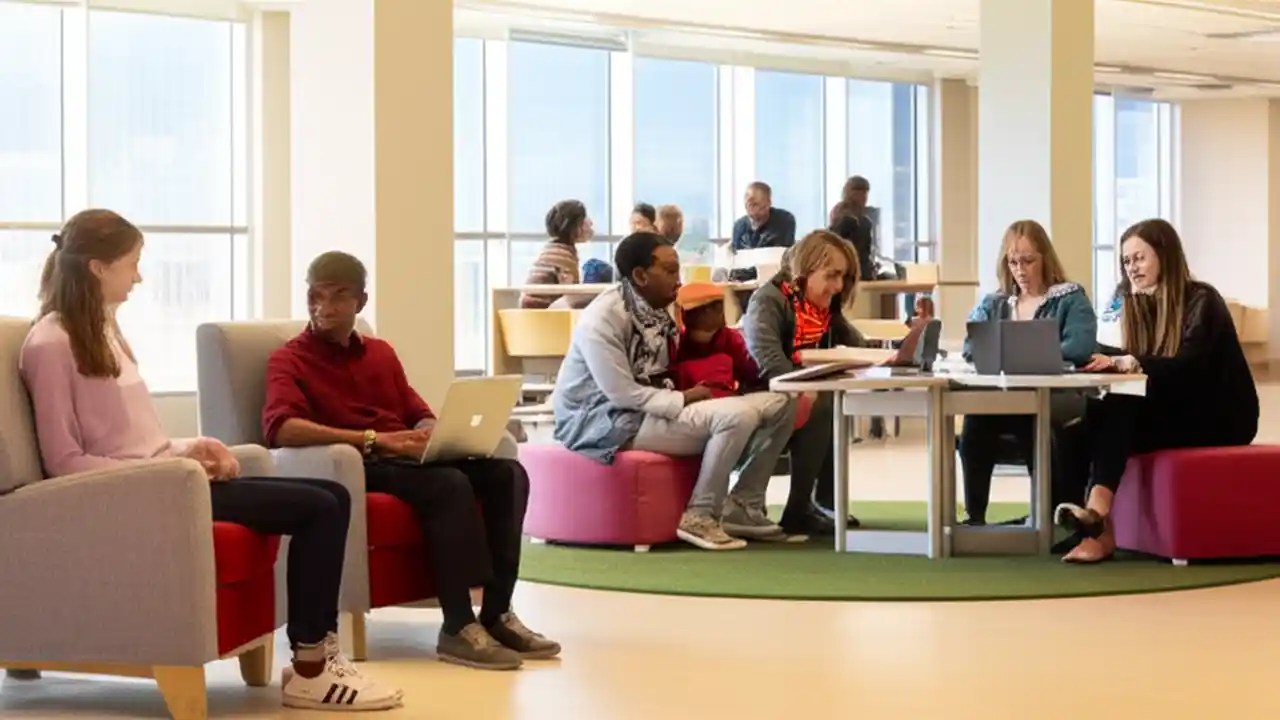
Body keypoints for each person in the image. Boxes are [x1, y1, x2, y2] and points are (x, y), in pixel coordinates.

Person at [19, 210, 401, 712]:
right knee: (321, 508)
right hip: (142, 495)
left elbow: (133, 439)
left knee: (330, 495)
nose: (138, 276)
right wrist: (166, 471)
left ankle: (316, 656)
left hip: (164, 481)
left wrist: (191, 448)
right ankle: (312, 667)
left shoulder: (104, 331)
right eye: (132, 264)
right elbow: (65, 461)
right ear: (96, 268)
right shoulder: (50, 344)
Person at [264, 251, 559, 670]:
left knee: (507, 474)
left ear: (361, 302)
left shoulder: (381, 353)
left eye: (338, 296)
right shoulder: (289, 359)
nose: (323, 308)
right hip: (358, 463)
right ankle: (457, 625)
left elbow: (415, 409)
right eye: (315, 296)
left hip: (405, 456)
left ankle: (497, 614)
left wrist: (435, 434)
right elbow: (282, 428)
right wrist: (376, 440)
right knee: (448, 484)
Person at [553, 232, 796, 548]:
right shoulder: (603, 320)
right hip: (606, 420)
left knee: (782, 402)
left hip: (650, 407)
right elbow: (621, 393)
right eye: (669, 271)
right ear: (640, 275)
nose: (678, 280)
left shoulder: (656, 308)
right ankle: (699, 515)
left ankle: (743, 507)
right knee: (737, 415)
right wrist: (684, 397)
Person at [1056, 218, 1259, 563]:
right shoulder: (1136, 304)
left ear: (1165, 255)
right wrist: (1090, 353)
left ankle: (1098, 514)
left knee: (1118, 405)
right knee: (1078, 429)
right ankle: (1093, 530)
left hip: (1220, 416)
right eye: (1126, 261)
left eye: (1139, 258)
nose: (1131, 268)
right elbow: (1141, 361)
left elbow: (1188, 367)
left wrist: (1124, 362)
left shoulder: (1202, 300)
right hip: (1176, 411)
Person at [959, 220, 1097, 526]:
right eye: (1013, 261)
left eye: (1028, 261)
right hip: (1002, 396)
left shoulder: (1070, 298)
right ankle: (974, 516)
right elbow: (972, 343)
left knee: (1029, 416)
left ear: (1045, 258)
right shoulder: (994, 302)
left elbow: (1079, 346)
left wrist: (1030, 356)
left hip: (1055, 396)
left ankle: (1044, 516)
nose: (1020, 269)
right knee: (975, 424)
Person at [742, 230, 870, 535]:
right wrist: (807, 387)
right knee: (823, 404)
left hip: (795, 393)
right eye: (832, 276)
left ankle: (819, 503)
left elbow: (855, 342)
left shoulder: (816, 307)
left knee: (827, 401)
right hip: (760, 393)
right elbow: (769, 363)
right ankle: (800, 509)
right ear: (806, 269)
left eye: (843, 277)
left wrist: (892, 354)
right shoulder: (769, 301)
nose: (838, 286)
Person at [671, 282, 761, 400]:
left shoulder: (730, 339)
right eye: (717, 307)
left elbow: (751, 376)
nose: (722, 312)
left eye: (720, 305)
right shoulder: (676, 344)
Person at [520, 199, 594, 309]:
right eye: (584, 220)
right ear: (574, 227)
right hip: (546, 313)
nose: (590, 223)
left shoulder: (550, 249)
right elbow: (570, 292)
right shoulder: (564, 256)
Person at [730, 182, 796, 282]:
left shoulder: (784, 221)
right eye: (748, 204)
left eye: (755, 204)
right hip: (744, 282)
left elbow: (781, 257)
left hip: (775, 279)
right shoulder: (739, 227)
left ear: (768, 203)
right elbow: (736, 260)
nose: (751, 208)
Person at [827, 176, 877, 282]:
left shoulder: (838, 212)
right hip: (853, 275)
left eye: (866, 192)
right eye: (861, 192)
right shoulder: (855, 220)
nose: (865, 197)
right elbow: (859, 254)